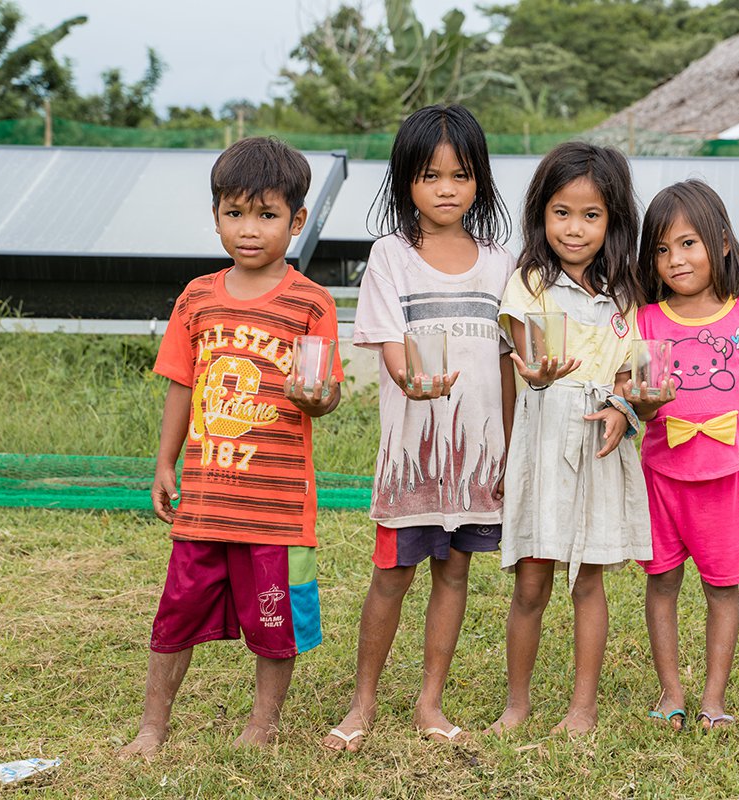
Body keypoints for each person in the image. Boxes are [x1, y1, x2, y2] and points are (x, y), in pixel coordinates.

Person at [120, 137, 343, 758]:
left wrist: (314, 398)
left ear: (296, 222)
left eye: (267, 215)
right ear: (216, 215)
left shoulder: (311, 303)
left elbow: (327, 393)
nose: (250, 230)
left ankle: (261, 725)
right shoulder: (196, 298)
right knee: (176, 614)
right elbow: (182, 385)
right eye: (234, 213)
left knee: (276, 624)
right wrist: (164, 462)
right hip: (207, 498)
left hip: (276, 507)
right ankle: (152, 728)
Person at [322, 104, 515, 753]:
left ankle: (430, 702)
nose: (445, 188)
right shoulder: (391, 257)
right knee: (391, 577)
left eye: (460, 175)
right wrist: (409, 379)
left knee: (455, 576)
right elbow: (390, 346)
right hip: (411, 461)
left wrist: (511, 450)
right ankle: (363, 702)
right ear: (406, 180)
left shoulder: (501, 264)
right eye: (430, 175)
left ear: (479, 183)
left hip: (478, 461)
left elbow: (512, 364)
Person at [488, 142, 650, 737]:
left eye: (590, 215)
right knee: (532, 579)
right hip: (541, 433)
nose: (574, 228)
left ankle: (583, 707)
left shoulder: (626, 293)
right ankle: (517, 704)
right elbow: (524, 362)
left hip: (598, 439)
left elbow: (632, 373)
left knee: (589, 579)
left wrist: (621, 407)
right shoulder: (529, 282)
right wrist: (535, 376)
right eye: (561, 212)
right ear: (541, 213)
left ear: (612, 220)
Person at [632, 180, 739, 731]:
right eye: (661, 248)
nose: (675, 260)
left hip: (723, 477)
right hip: (662, 476)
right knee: (662, 582)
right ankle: (671, 692)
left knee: (722, 588)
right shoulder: (645, 321)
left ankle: (713, 700)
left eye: (688, 243)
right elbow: (640, 399)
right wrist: (644, 403)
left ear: (721, 243)